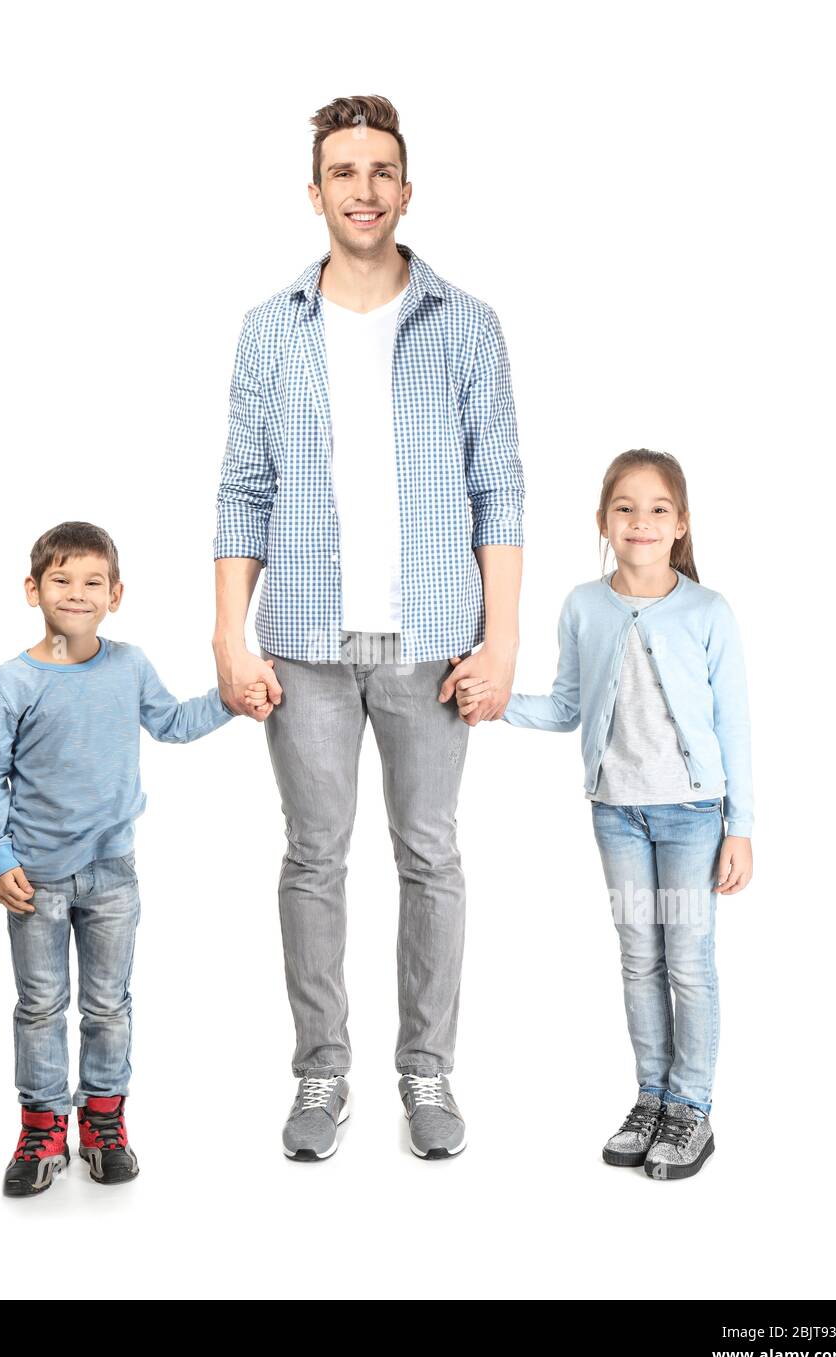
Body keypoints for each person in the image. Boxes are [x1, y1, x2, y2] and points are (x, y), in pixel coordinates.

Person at [217, 95, 525, 1161]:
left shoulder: (466, 324)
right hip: (300, 639)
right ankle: (320, 1076)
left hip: (433, 640)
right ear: (315, 192)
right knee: (311, 857)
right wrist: (227, 633)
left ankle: (426, 1072)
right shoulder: (269, 329)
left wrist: (501, 641)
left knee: (429, 854)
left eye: (379, 169)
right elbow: (241, 490)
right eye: (342, 170)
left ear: (404, 187)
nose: (361, 187)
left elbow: (501, 489)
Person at [455, 449, 753, 1179]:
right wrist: (493, 703)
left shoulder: (706, 611)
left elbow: (733, 723)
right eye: (625, 508)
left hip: (688, 817)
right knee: (638, 959)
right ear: (602, 522)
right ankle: (650, 1097)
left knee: (686, 961)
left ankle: (690, 1109)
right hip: (616, 816)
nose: (640, 522)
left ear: (680, 525)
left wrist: (738, 825)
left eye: (657, 510)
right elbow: (565, 705)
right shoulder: (583, 607)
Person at [0, 521, 237, 1196]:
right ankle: (41, 1127)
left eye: (93, 582)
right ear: (33, 589)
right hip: (36, 876)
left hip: (113, 874)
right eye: (61, 579)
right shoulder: (12, 681)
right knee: (39, 1005)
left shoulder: (129, 664)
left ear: (116, 594)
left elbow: (172, 722)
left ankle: (104, 1122)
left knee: (108, 1006)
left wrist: (233, 700)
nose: (77, 593)